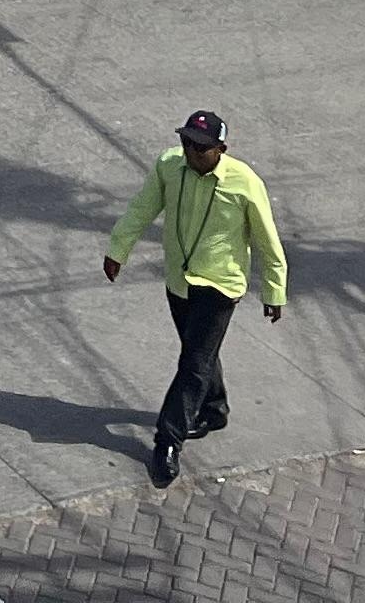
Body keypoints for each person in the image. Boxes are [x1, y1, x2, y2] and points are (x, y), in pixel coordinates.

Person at [103, 108, 287, 488]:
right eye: (186, 142)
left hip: (221, 285)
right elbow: (142, 207)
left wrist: (274, 290)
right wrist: (118, 249)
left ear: (221, 148)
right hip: (179, 281)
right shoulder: (170, 166)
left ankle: (167, 441)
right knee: (199, 351)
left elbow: (267, 242)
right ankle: (215, 409)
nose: (191, 151)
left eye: (201, 147)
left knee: (193, 363)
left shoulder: (245, 183)